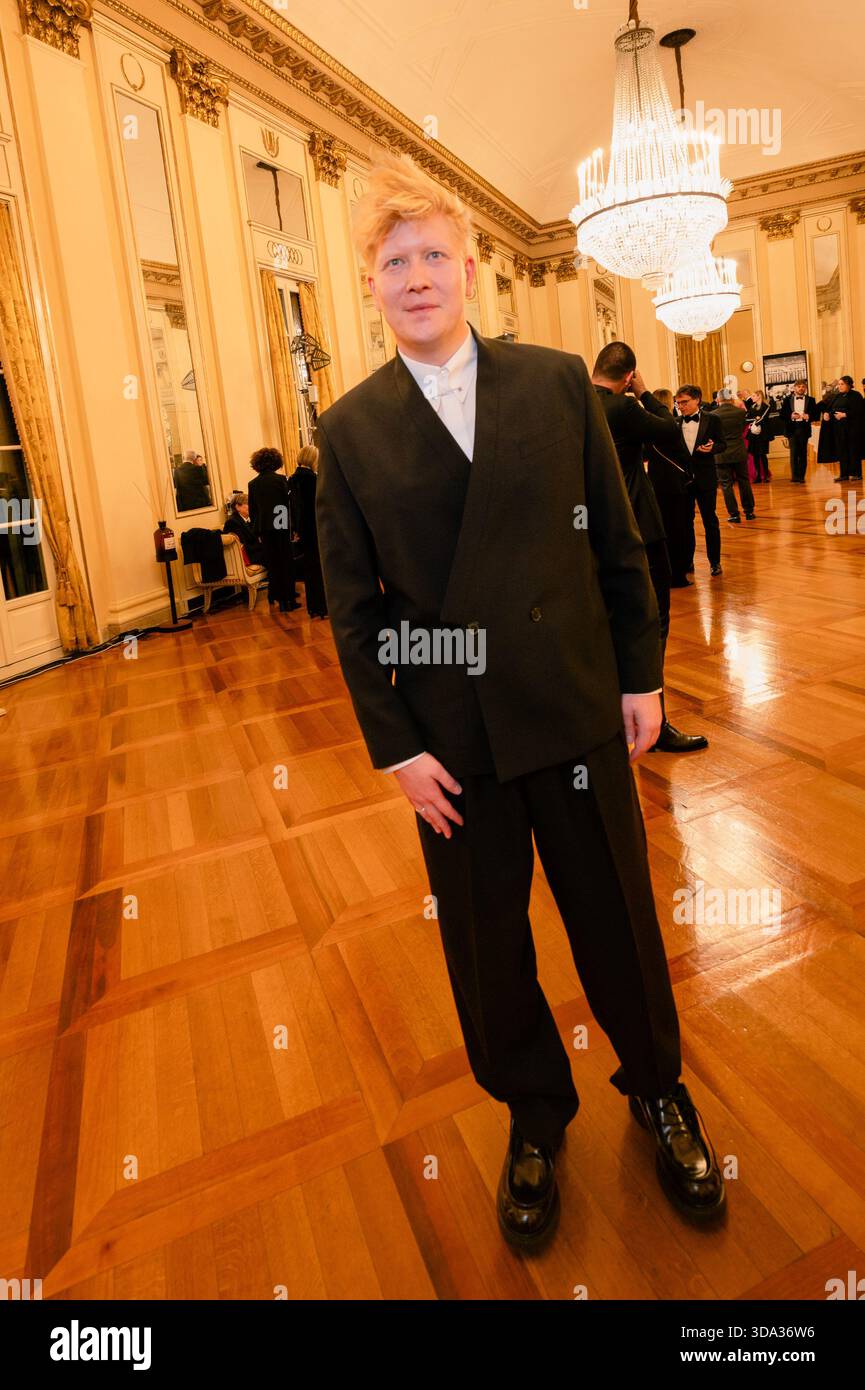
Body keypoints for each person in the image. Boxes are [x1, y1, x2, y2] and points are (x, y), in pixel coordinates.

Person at [314, 151, 724, 1250]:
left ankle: (655, 1087)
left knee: (620, 922)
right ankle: (534, 1115)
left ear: (470, 268)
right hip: (454, 745)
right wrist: (394, 749)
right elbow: (354, 613)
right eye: (393, 260)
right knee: (486, 948)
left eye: (433, 254)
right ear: (371, 284)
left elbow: (623, 546)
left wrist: (640, 673)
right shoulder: (348, 431)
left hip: (575, 707)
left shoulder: (551, 384)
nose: (415, 275)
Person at [592, 344, 708, 754]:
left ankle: (612, 723)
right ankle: (654, 724)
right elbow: (672, 434)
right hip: (636, 526)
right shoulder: (625, 408)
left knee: (606, 626)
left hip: (590, 532)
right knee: (652, 622)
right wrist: (642, 394)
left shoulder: (577, 402)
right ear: (628, 375)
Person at [674, 385, 725, 576]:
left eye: (684, 402)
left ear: (697, 400)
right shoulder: (675, 422)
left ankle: (715, 562)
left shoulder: (713, 419)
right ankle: (687, 561)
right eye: (678, 403)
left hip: (705, 478)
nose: (681, 406)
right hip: (683, 480)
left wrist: (712, 448)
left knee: (710, 521)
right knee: (685, 522)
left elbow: (722, 444)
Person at [646, 388, 695, 586]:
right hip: (675, 484)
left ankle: (662, 572)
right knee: (678, 530)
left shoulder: (647, 427)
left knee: (662, 529)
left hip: (656, 483)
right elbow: (683, 455)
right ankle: (678, 574)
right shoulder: (672, 426)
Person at [247, 446, 300, 612]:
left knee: (273, 563)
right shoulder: (280, 480)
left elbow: (253, 509)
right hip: (280, 524)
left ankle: (274, 595)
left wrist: (257, 532)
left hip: (264, 528)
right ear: (275, 461)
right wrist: (290, 527)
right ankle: (288, 600)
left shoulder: (253, 484)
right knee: (286, 562)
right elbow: (286, 504)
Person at [288, 444, 328, 619]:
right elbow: (321, 506)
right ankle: (322, 606)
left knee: (310, 570)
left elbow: (290, 509)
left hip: (303, 531)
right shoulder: (313, 480)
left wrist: (294, 530)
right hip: (316, 529)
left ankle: (313, 607)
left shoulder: (291, 479)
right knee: (320, 569)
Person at [714, 388, 756, 522]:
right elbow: (744, 428)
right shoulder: (740, 412)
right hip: (738, 450)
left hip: (721, 453)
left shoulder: (713, 414)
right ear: (731, 399)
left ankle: (734, 514)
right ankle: (749, 512)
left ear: (718, 399)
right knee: (744, 481)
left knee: (726, 484)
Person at [780, 380, 818, 484]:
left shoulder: (811, 400)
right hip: (792, 429)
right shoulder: (787, 400)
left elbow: (816, 415)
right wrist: (791, 416)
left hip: (804, 429)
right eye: (799, 387)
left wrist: (809, 416)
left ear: (805, 388)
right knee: (793, 453)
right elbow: (782, 415)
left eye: (803, 387)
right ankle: (794, 476)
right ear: (794, 388)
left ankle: (801, 476)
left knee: (802, 453)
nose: (801, 388)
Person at [832, 376, 864, 483]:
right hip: (840, 429)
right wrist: (829, 413)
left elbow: (859, 411)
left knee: (853, 451)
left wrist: (844, 414)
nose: (839, 386)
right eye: (839, 384)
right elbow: (832, 408)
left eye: (842, 384)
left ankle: (856, 474)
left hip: (853, 428)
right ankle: (844, 474)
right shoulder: (837, 396)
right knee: (842, 451)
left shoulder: (856, 395)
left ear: (849, 385)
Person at [223, 491, 266, 565]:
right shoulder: (232, 522)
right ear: (237, 507)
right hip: (249, 555)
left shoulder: (252, 518)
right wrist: (263, 545)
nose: (252, 506)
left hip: (258, 551)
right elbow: (245, 546)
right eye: (248, 504)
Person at [746, 389, 772, 482]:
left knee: (762, 454)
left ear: (759, 396)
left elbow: (764, 418)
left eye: (753, 396)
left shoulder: (766, 406)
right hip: (753, 434)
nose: (751, 398)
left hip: (763, 434)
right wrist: (755, 419)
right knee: (755, 455)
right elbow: (746, 419)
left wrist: (756, 421)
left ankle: (765, 476)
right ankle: (757, 476)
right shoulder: (752, 407)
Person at [818, 383, 839, 466]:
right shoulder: (836, 399)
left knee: (829, 442)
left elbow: (815, 409)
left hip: (828, 424)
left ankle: (832, 457)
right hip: (834, 423)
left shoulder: (823, 402)